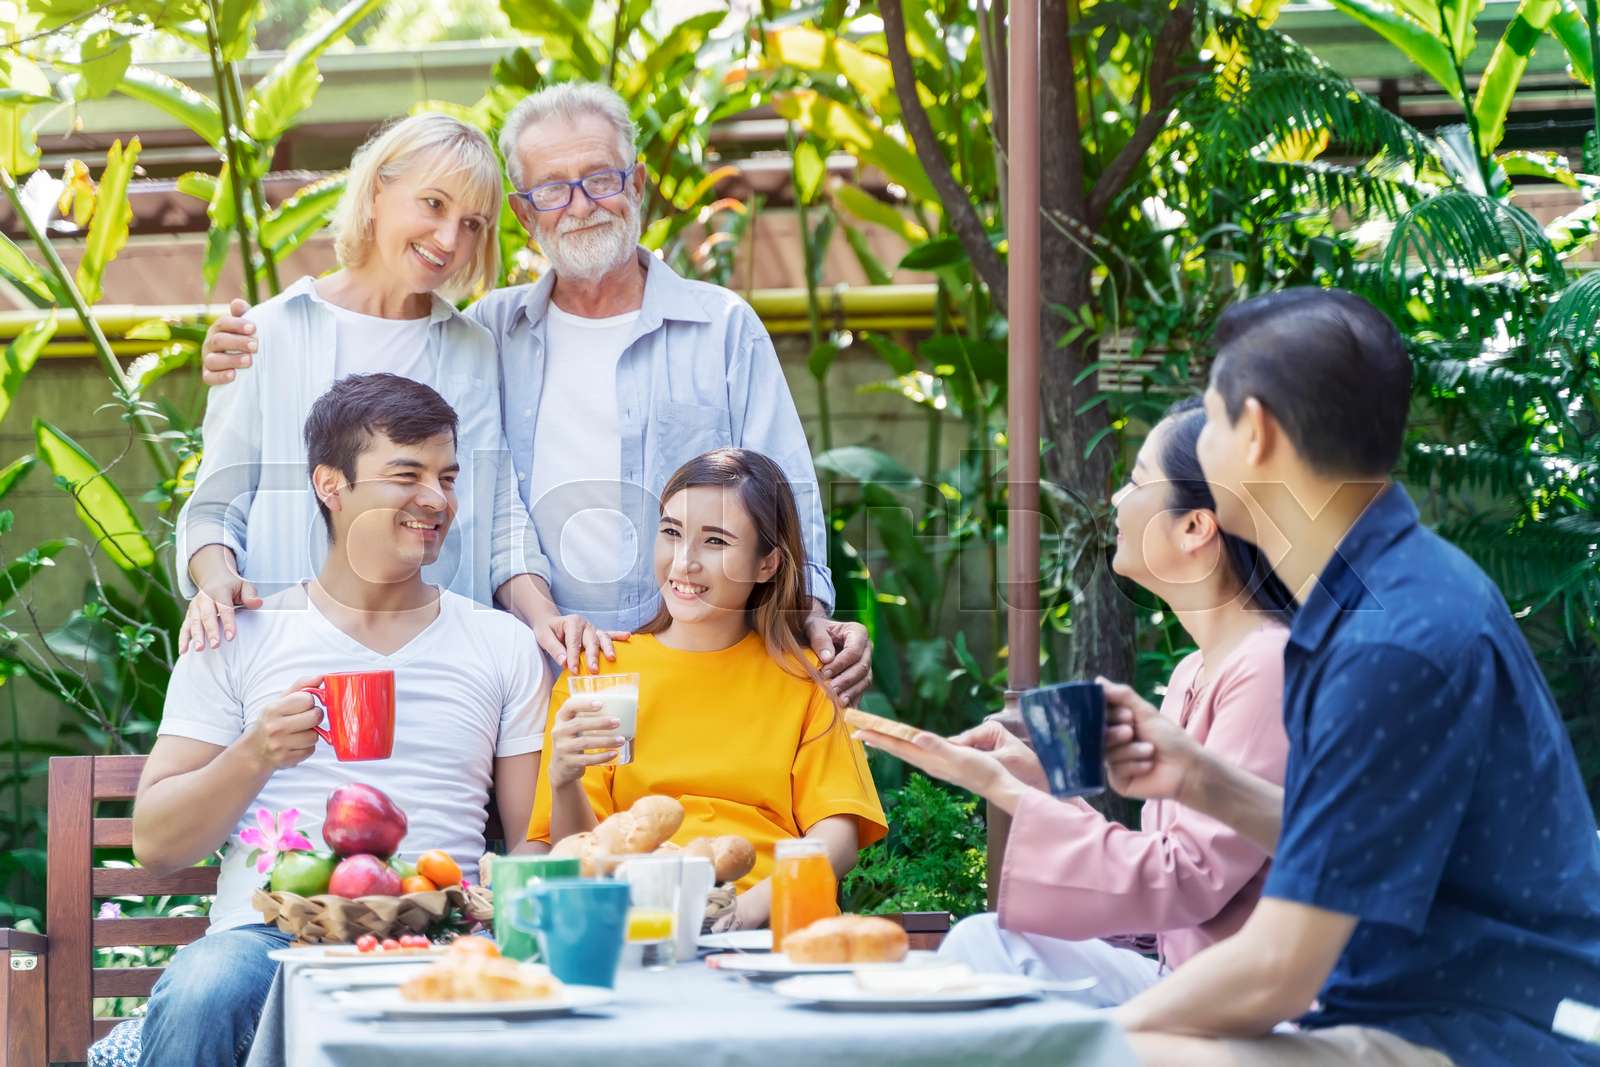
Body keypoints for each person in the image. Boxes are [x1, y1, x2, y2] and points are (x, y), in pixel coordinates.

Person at [196, 82, 873, 705]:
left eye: (600, 179)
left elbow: (787, 493)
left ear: (635, 183)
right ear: (525, 216)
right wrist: (237, 347)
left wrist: (808, 612)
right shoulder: (489, 332)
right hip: (537, 671)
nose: (580, 205)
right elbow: (225, 499)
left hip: (701, 662)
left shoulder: (721, 327)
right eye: (551, 189)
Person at [1097, 288, 1600, 1065]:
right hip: (1436, 1014)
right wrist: (1198, 776)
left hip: (1490, 1038)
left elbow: (1278, 970)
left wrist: (1074, 1041)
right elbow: (1347, 841)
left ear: (1256, 431)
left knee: (1119, 1054)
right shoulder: (1381, 593)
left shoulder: (1391, 639)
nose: (1196, 444)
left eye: (1210, 414)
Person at [131, 375, 547, 1066]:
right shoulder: (242, 635)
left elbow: (535, 838)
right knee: (203, 986)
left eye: (448, 477)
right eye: (407, 474)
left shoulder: (501, 644)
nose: (436, 499)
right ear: (331, 483)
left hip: (440, 929)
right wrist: (254, 754)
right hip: (271, 939)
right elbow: (155, 840)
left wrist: (493, 912)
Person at [854, 397, 1294, 1006]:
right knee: (986, 947)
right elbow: (1169, 884)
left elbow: (1184, 882)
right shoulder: (1200, 665)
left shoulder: (1266, 665)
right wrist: (1031, 780)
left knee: (985, 957)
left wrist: (1003, 788)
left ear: (1196, 526)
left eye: (1137, 480)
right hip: (1177, 975)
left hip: (1235, 1000)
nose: (1115, 500)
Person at [174, 112, 614, 672]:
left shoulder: (472, 347)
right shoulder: (270, 333)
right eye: (433, 204)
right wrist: (217, 582)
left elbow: (496, 513)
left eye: (473, 223)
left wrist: (542, 614)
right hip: (287, 664)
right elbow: (216, 506)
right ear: (378, 190)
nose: (450, 239)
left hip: (443, 671)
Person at [527, 448, 888, 931]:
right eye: (671, 533)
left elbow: (837, 833)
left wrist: (746, 912)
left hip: (772, 921)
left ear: (767, 564)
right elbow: (582, 853)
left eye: (715, 541)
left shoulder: (807, 681)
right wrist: (563, 777)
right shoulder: (598, 672)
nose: (684, 562)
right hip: (637, 922)